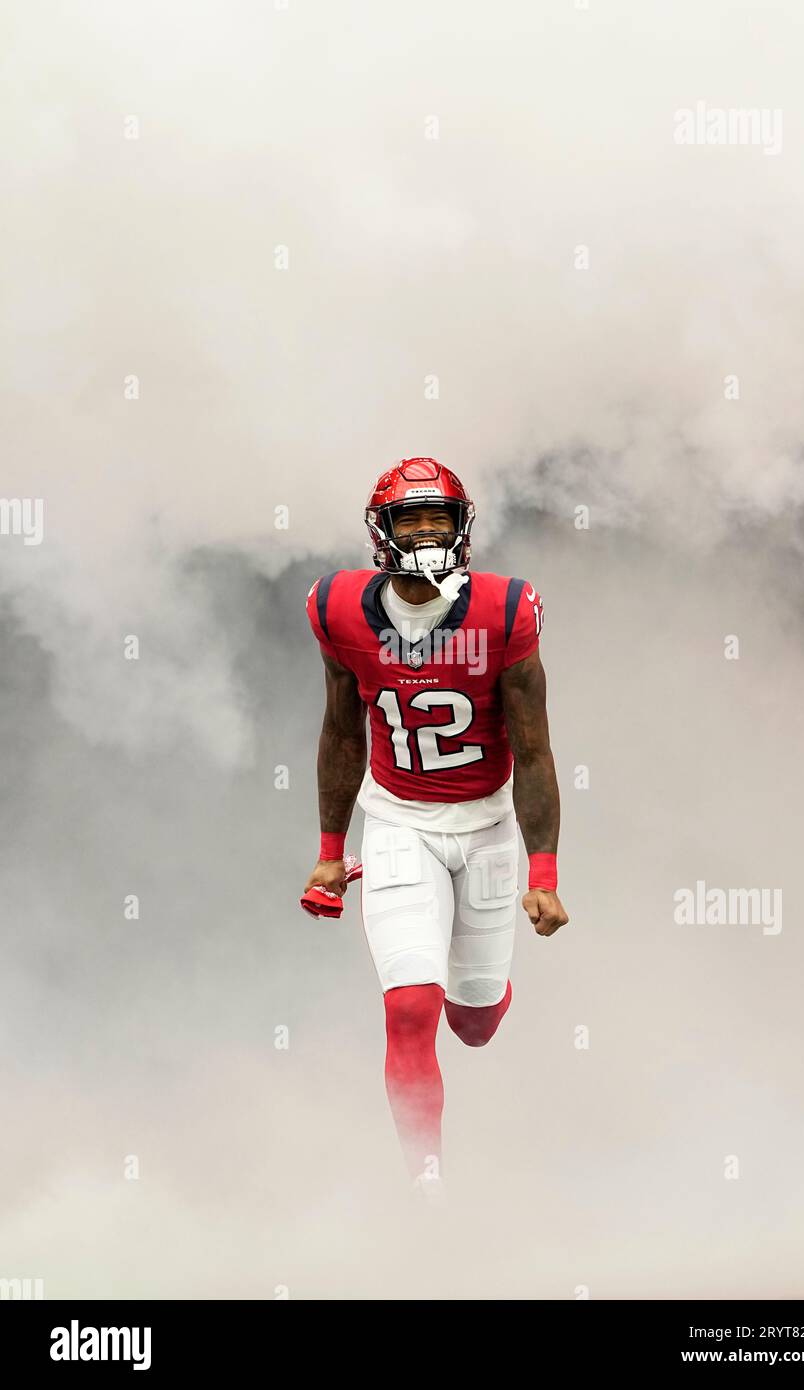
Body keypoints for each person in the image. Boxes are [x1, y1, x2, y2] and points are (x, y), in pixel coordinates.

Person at [303, 457, 568, 1197]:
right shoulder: (337, 607)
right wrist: (331, 853)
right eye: (410, 519)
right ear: (380, 533)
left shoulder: (505, 610)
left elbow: (537, 748)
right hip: (397, 823)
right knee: (410, 1008)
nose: (426, 532)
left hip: (485, 827)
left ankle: (478, 993)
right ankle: (427, 1188)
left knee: (474, 1024)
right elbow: (342, 730)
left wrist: (542, 873)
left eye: (439, 519)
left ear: (464, 528)